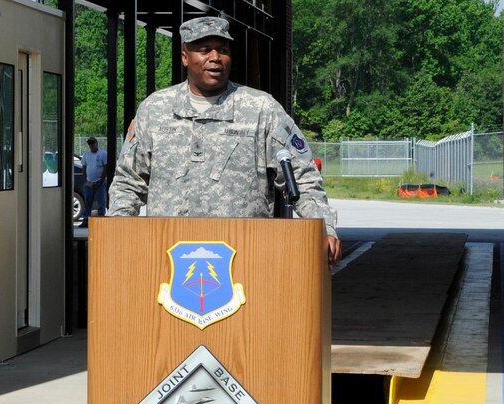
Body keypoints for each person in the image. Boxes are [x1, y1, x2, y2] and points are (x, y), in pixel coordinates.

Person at [107, 16, 341, 265]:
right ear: (185, 57)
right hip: (170, 260)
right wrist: (116, 235)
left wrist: (323, 227)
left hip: (246, 258)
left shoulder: (261, 109)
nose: (215, 58)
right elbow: (128, 183)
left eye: (223, 50)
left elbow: (302, 178)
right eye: (204, 50)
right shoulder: (155, 109)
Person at [80, 137, 108, 226]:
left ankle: (101, 220)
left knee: (101, 203)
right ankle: (86, 220)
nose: (91, 146)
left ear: (97, 143)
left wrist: (101, 181)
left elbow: (106, 167)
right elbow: (84, 168)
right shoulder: (86, 155)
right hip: (89, 183)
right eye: (90, 144)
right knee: (88, 203)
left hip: (99, 182)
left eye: (93, 143)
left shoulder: (103, 154)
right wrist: (85, 181)